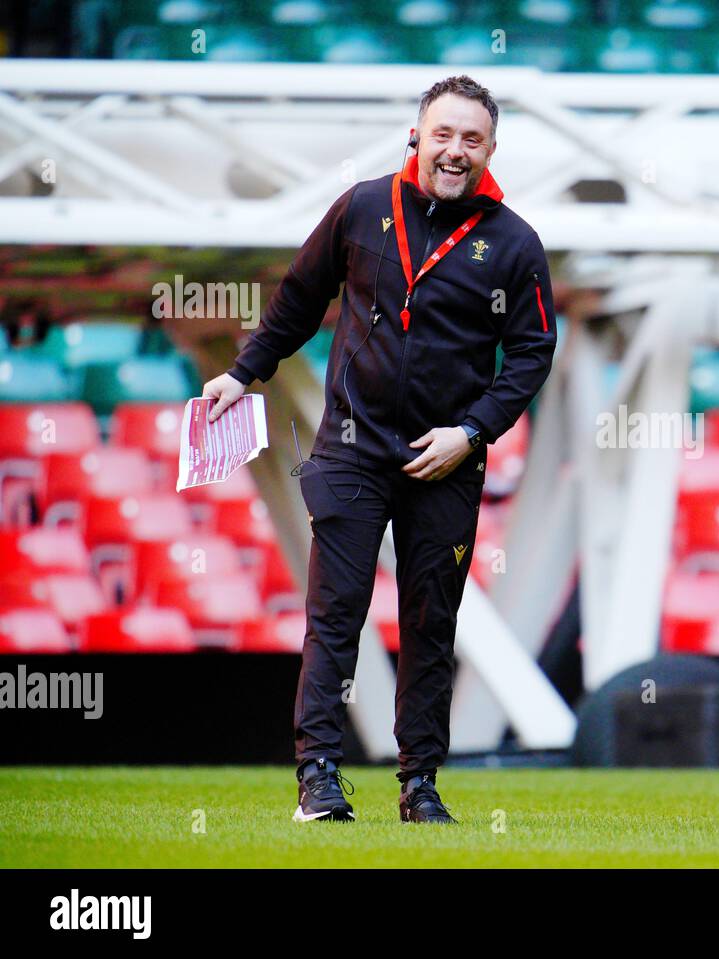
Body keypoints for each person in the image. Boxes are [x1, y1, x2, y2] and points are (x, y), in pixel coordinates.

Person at [203, 75, 556, 824]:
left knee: (432, 624)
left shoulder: (516, 242)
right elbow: (298, 298)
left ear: (491, 149)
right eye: (444, 134)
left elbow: (531, 354)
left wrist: (472, 433)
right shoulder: (364, 207)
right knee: (337, 614)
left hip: (446, 463)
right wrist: (242, 372)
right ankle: (318, 778)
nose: (455, 150)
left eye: (472, 139)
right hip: (351, 451)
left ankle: (420, 782)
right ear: (416, 135)